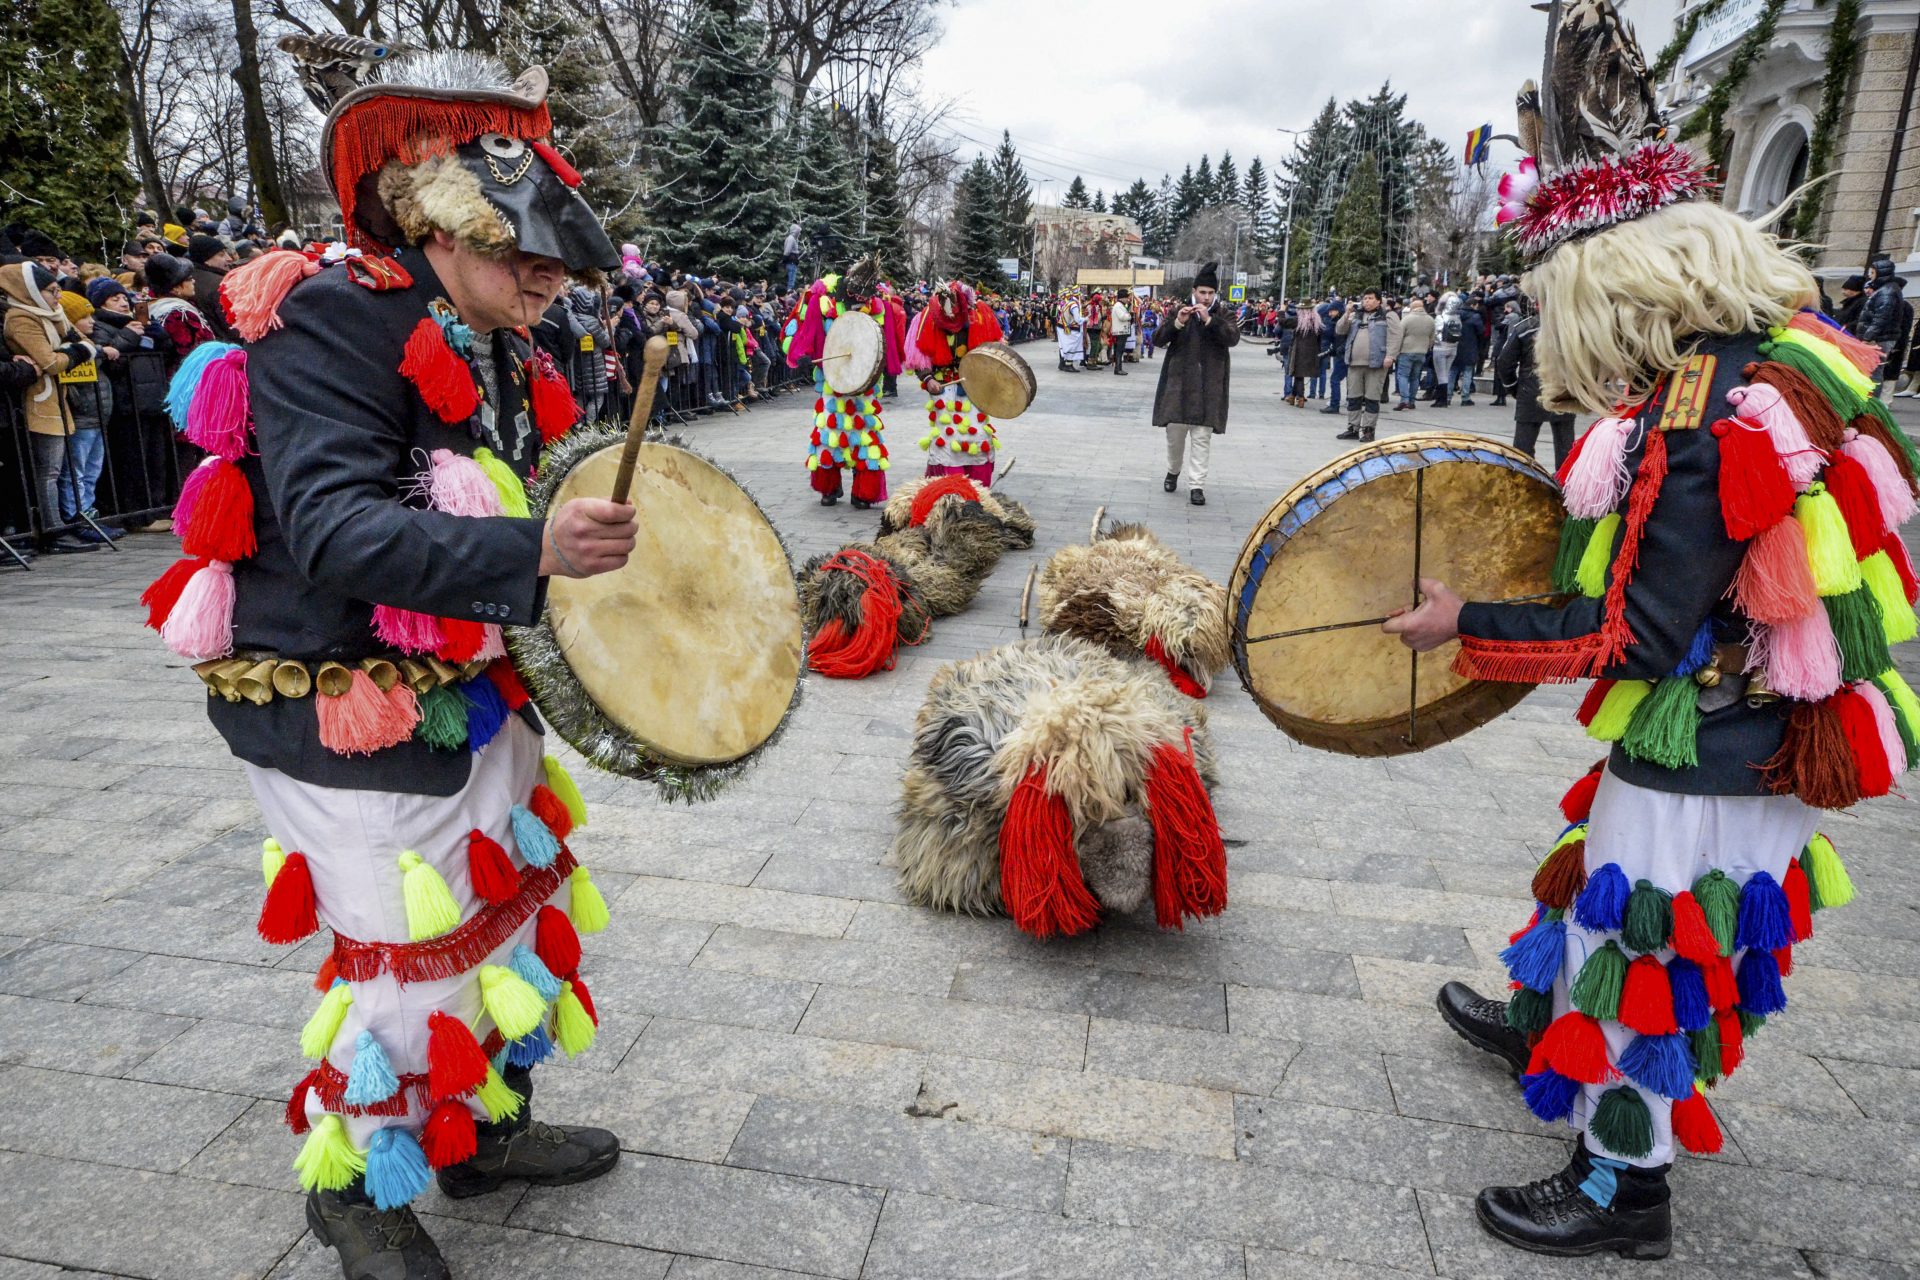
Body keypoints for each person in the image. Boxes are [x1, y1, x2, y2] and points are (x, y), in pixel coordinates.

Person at [1387, 2, 1920, 1259]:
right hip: (1751, 724)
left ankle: (1623, 1185)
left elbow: (1630, 625)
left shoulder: (1701, 416)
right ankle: (1540, 1022)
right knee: (1600, 874)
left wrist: (1468, 620)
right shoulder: (1786, 351)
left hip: (1717, 742)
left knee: (1643, 944)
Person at [140, 50, 633, 1280]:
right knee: (406, 963)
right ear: (445, 224)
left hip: (465, 677)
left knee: (513, 906)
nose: (548, 282)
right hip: (342, 694)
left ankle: (475, 1130)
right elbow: (332, 527)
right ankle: (357, 1182)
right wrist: (536, 547)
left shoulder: (483, 324)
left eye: (555, 263)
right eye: (525, 258)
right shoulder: (335, 309)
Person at [3, 262, 101, 554]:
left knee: (60, 469)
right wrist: (77, 351)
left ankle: (61, 525)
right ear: (30, 291)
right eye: (51, 290)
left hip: (59, 398)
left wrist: (75, 350)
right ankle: (54, 530)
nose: (58, 296)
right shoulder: (21, 318)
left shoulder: (54, 315)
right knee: (48, 470)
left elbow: (84, 344)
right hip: (38, 400)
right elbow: (51, 362)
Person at [1151, 261, 1239, 506]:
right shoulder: (1179, 311)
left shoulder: (1223, 314)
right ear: (1194, 291)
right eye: (1203, 292)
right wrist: (1177, 323)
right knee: (1175, 437)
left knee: (1202, 438)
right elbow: (1157, 339)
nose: (1207, 297)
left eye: (1211, 293)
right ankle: (1172, 470)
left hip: (1208, 388)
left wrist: (1210, 321)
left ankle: (1197, 486)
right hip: (1178, 387)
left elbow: (1232, 338)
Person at [1494, 301, 1574, 467]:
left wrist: (1513, 387)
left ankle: (1525, 482)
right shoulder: (1571, 327)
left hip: (1530, 390)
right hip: (1563, 389)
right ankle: (1566, 484)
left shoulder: (1524, 328)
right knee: (1565, 446)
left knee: (1523, 449)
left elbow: (1504, 361)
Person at [1333, 289, 1402, 442]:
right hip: (1354, 363)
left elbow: (1396, 337)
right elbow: (1339, 330)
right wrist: (1346, 314)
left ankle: (1369, 431)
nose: (1367, 301)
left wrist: (1390, 356)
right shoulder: (1356, 315)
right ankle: (1352, 428)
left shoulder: (1388, 316)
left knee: (1372, 398)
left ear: (1379, 301)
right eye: (1365, 298)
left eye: (1370, 298)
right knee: (1353, 397)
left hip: (1376, 364)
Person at [1394, 297, 1434, 411]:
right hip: (1421, 352)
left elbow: (1399, 336)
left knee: (1403, 376)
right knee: (1415, 377)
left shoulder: (1407, 319)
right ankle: (1412, 401)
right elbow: (1432, 338)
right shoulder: (1430, 320)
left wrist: (1396, 351)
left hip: (1406, 351)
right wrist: (1426, 347)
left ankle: (1404, 400)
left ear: (1412, 308)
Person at [1282, 302, 1323, 407]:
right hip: (1312, 352)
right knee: (1299, 374)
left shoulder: (1299, 321)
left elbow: (1282, 322)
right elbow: (1320, 337)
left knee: (1298, 374)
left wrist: (1281, 311)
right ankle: (1292, 396)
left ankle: (1300, 397)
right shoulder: (1316, 321)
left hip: (1299, 351)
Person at [1056, 290, 1085, 371]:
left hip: (1063, 326)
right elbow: (1076, 318)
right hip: (1068, 327)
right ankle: (1068, 364)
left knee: (1065, 345)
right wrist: (1085, 319)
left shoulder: (1065, 303)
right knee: (1070, 345)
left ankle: (1062, 363)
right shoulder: (1072, 304)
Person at [1107, 292, 1132, 375]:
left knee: (1120, 350)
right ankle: (1118, 369)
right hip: (1120, 331)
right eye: (1126, 297)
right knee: (1119, 350)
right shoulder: (1118, 306)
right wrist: (1129, 315)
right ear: (1122, 298)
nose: (1127, 299)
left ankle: (1119, 368)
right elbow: (1122, 317)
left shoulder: (1120, 306)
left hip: (1121, 331)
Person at [782, 222, 801, 292]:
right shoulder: (791, 239)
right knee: (791, 282)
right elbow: (787, 251)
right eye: (798, 232)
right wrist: (784, 259)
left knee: (791, 280)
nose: (799, 233)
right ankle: (789, 294)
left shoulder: (792, 239)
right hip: (791, 263)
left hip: (792, 262)